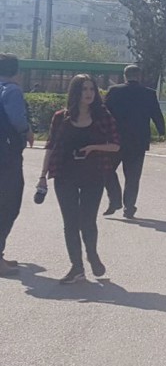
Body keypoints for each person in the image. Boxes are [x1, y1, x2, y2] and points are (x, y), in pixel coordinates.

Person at [36, 74, 119, 284]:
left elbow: (116, 145)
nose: (89, 93)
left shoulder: (103, 115)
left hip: (94, 175)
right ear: (76, 92)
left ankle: (92, 254)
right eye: (84, 89)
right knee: (70, 222)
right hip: (65, 175)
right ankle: (77, 267)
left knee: (87, 220)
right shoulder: (60, 117)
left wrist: (93, 147)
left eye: (92, 89)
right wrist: (42, 177)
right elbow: (51, 146)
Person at [103, 64, 166, 219]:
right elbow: (156, 114)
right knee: (132, 176)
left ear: (125, 76)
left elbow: (103, 112)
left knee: (106, 170)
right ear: (139, 76)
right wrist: (162, 131)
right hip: (138, 141)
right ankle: (129, 207)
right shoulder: (149, 94)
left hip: (115, 140)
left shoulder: (114, 91)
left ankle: (115, 199)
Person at [0, 54, 35, 274]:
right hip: (7, 155)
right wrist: (28, 131)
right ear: (17, 72)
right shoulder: (12, 90)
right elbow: (17, 120)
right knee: (9, 204)